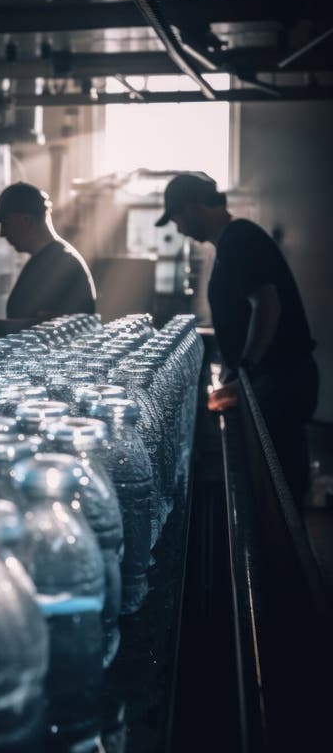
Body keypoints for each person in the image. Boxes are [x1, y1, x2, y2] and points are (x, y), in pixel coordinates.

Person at [155, 171, 319, 507]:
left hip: (279, 381)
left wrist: (246, 366)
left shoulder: (240, 238)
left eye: (176, 218)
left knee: (280, 493)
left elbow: (266, 302)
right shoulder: (231, 242)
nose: (179, 229)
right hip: (274, 378)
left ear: (193, 208)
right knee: (274, 487)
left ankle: (286, 559)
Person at [0, 181, 96, 335]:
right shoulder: (49, 258)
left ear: (25, 221)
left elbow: (49, 330)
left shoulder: (59, 263)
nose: (2, 234)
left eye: (4, 224)